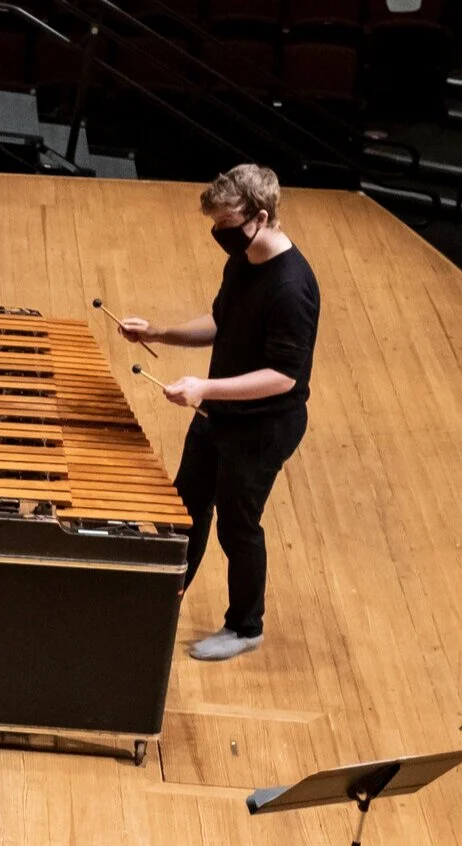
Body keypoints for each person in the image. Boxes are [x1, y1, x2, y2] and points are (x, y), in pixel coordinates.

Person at [120, 164, 321, 662]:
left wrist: (204, 386)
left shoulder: (293, 286)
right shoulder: (245, 260)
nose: (219, 234)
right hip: (220, 414)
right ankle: (165, 599)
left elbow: (283, 376)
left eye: (227, 225)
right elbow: (221, 322)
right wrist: (160, 333)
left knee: (237, 525)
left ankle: (245, 625)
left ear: (261, 216)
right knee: (184, 511)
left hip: (263, 428)